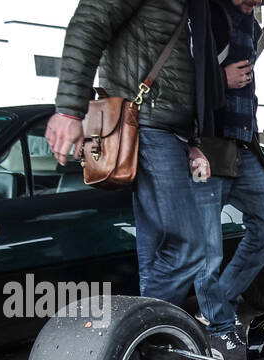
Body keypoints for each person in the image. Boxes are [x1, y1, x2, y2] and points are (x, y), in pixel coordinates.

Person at [48, 0, 202, 308]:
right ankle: (145, 325)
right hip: (148, 126)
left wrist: (194, 138)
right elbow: (88, 23)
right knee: (189, 245)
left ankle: (149, 331)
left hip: (164, 129)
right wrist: (69, 109)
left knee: (157, 251)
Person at [187, 0, 264, 360]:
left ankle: (215, 304)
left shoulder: (250, 26)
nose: (256, 3)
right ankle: (220, 328)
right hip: (207, 145)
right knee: (208, 251)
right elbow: (180, 78)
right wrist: (219, 79)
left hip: (243, 144)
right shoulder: (204, 14)